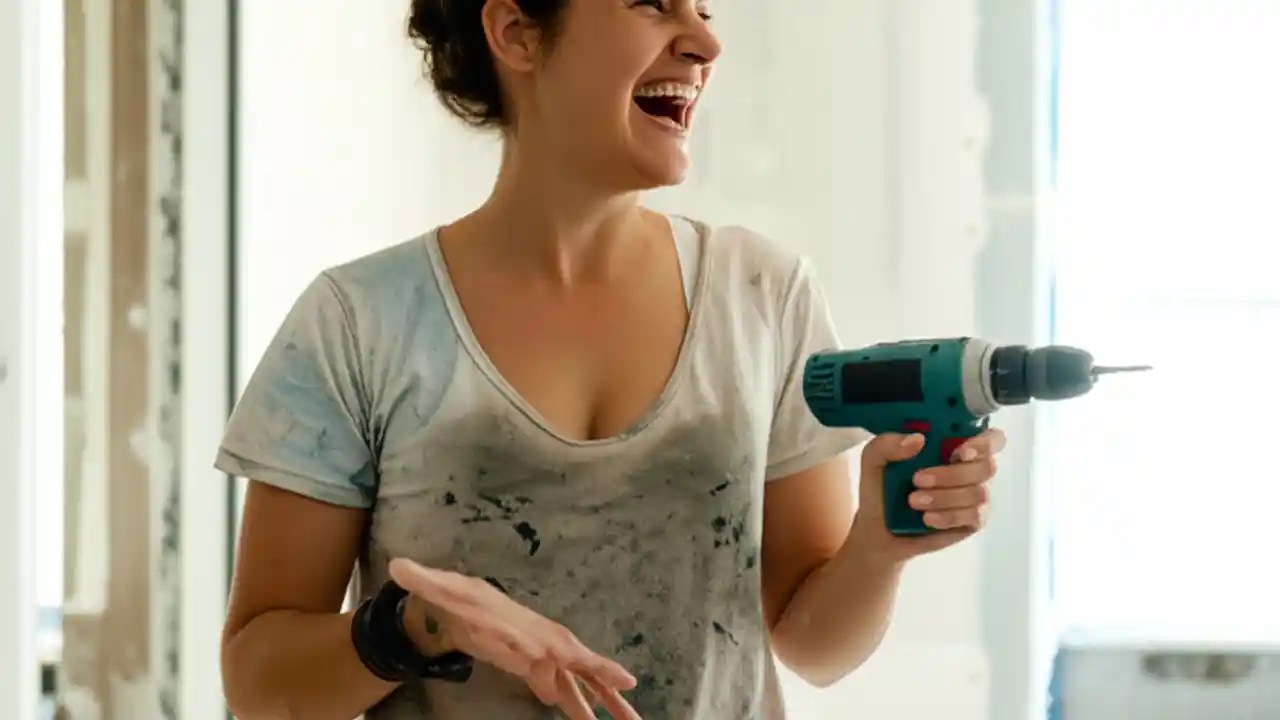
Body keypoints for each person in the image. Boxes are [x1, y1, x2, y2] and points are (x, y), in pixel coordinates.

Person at [216, 1, 1005, 718]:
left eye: (704, 10)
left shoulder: (762, 294)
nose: (705, 42)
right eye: (656, 6)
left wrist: (879, 545)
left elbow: (814, 648)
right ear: (517, 32)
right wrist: (419, 624)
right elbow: (260, 683)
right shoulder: (360, 323)